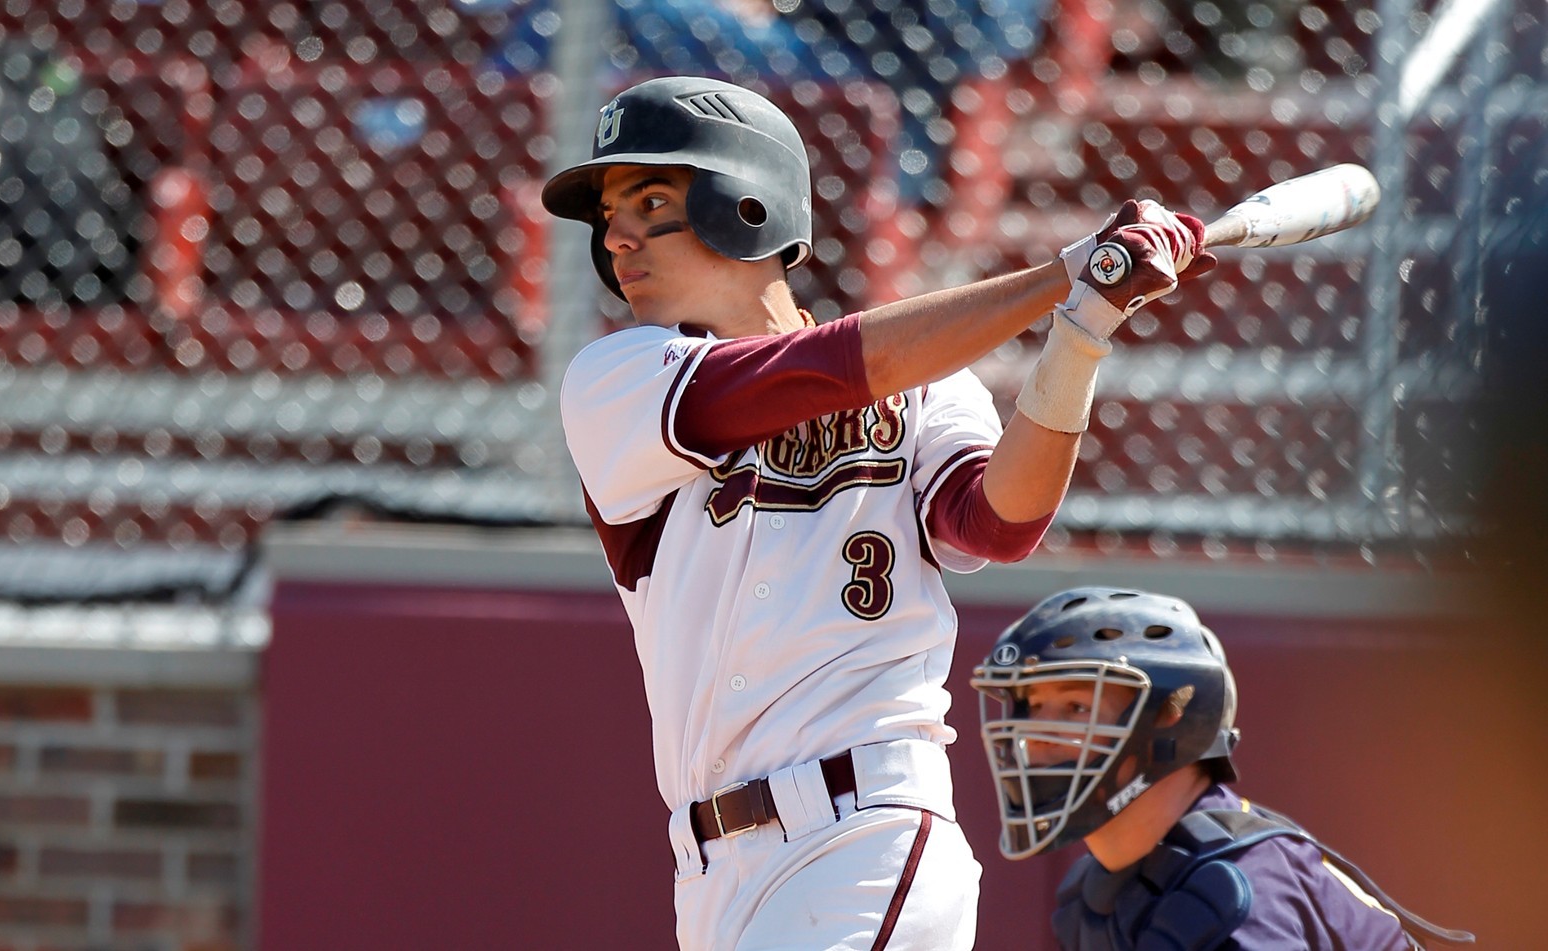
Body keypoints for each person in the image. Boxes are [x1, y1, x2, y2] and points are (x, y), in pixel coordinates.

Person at [542, 74, 1213, 950]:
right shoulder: (615, 380)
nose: (617, 235)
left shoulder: (932, 382)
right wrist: (1059, 276)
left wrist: (1081, 327)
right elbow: (810, 374)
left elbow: (997, 523)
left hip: (864, 832)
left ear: (746, 203)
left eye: (652, 198)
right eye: (607, 215)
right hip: (709, 868)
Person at [969, 586, 1475, 949]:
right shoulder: (1099, 890)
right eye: (1031, 706)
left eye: (1077, 707)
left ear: (1173, 718)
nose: (1035, 734)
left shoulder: (1233, 894)